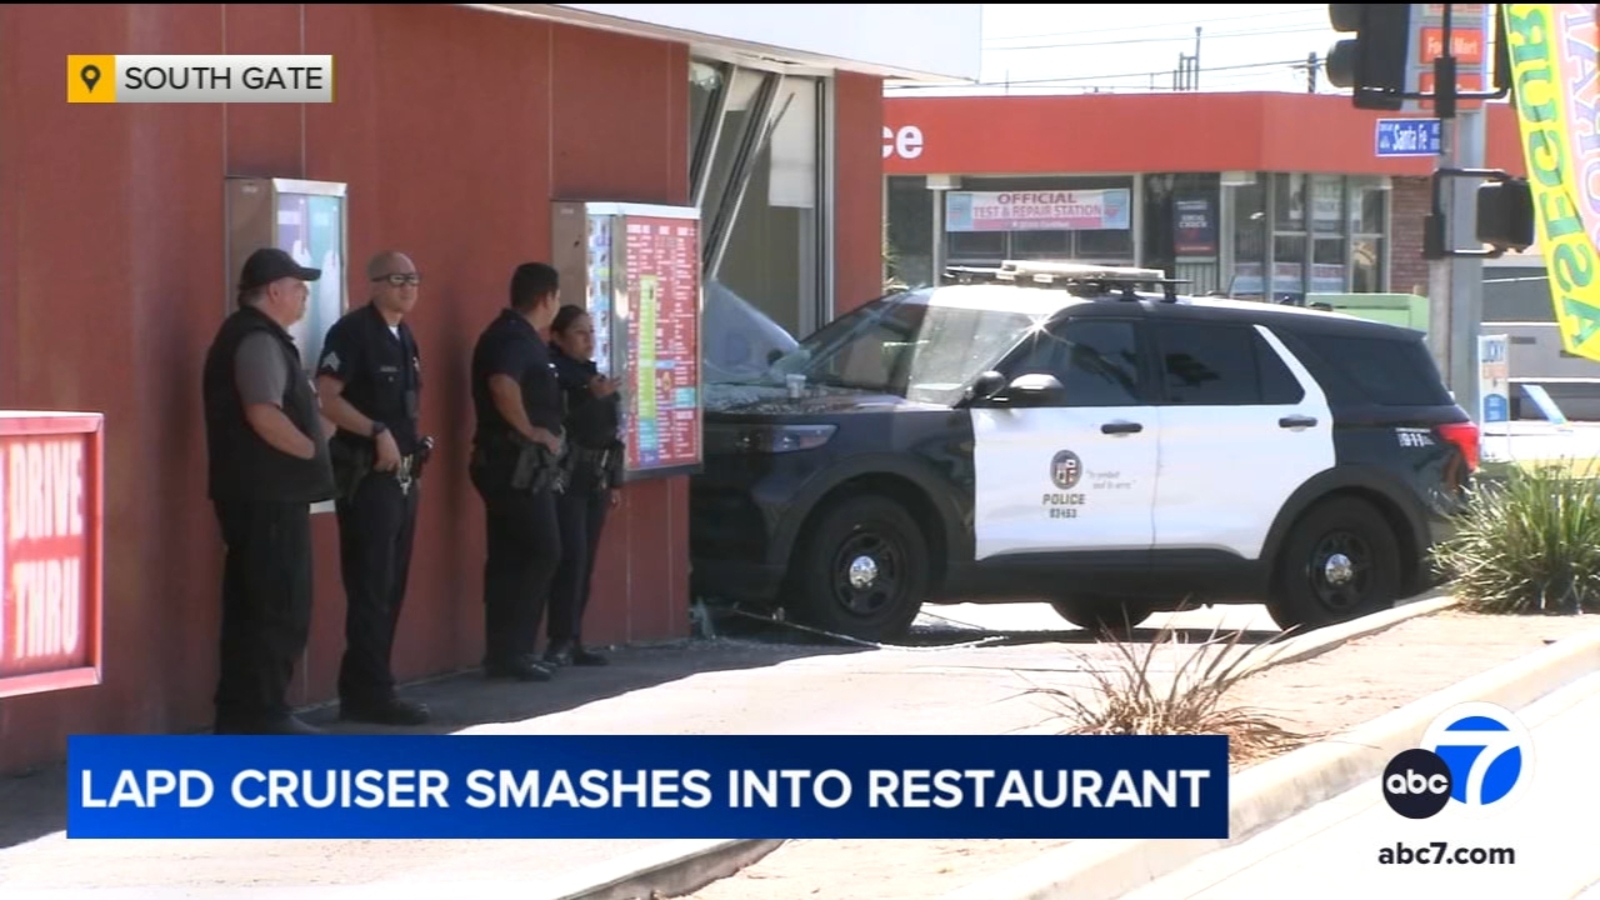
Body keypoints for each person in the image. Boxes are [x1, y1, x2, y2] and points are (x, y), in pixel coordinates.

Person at [201, 247, 336, 736]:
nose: (304, 297)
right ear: (275, 291)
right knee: (277, 603)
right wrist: (308, 450)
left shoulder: (259, 338)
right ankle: (263, 713)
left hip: (260, 495)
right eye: (299, 288)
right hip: (269, 498)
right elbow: (263, 412)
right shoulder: (257, 340)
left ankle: (245, 713)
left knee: (255, 602)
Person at [314, 251, 433, 726]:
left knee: (391, 587)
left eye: (414, 278)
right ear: (374, 283)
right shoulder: (353, 332)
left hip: (403, 479)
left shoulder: (403, 336)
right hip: (367, 479)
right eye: (397, 279)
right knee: (370, 587)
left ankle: (367, 683)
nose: (407, 287)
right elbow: (327, 397)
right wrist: (374, 430)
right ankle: (371, 693)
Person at [468, 263, 568, 682]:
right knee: (542, 550)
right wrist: (532, 432)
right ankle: (514, 650)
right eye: (556, 297)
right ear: (546, 297)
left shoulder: (524, 339)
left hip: (518, 466)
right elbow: (501, 385)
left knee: (511, 557)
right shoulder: (511, 338)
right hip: (512, 465)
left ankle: (507, 653)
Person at [545, 305, 623, 668]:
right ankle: (558, 639)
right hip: (567, 477)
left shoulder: (594, 376)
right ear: (558, 337)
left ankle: (574, 637)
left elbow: (612, 434)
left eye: (592, 331)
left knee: (586, 559)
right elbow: (557, 418)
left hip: (597, 476)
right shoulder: (555, 374)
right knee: (571, 557)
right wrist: (589, 396)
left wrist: (616, 480)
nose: (588, 339)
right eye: (580, 332)